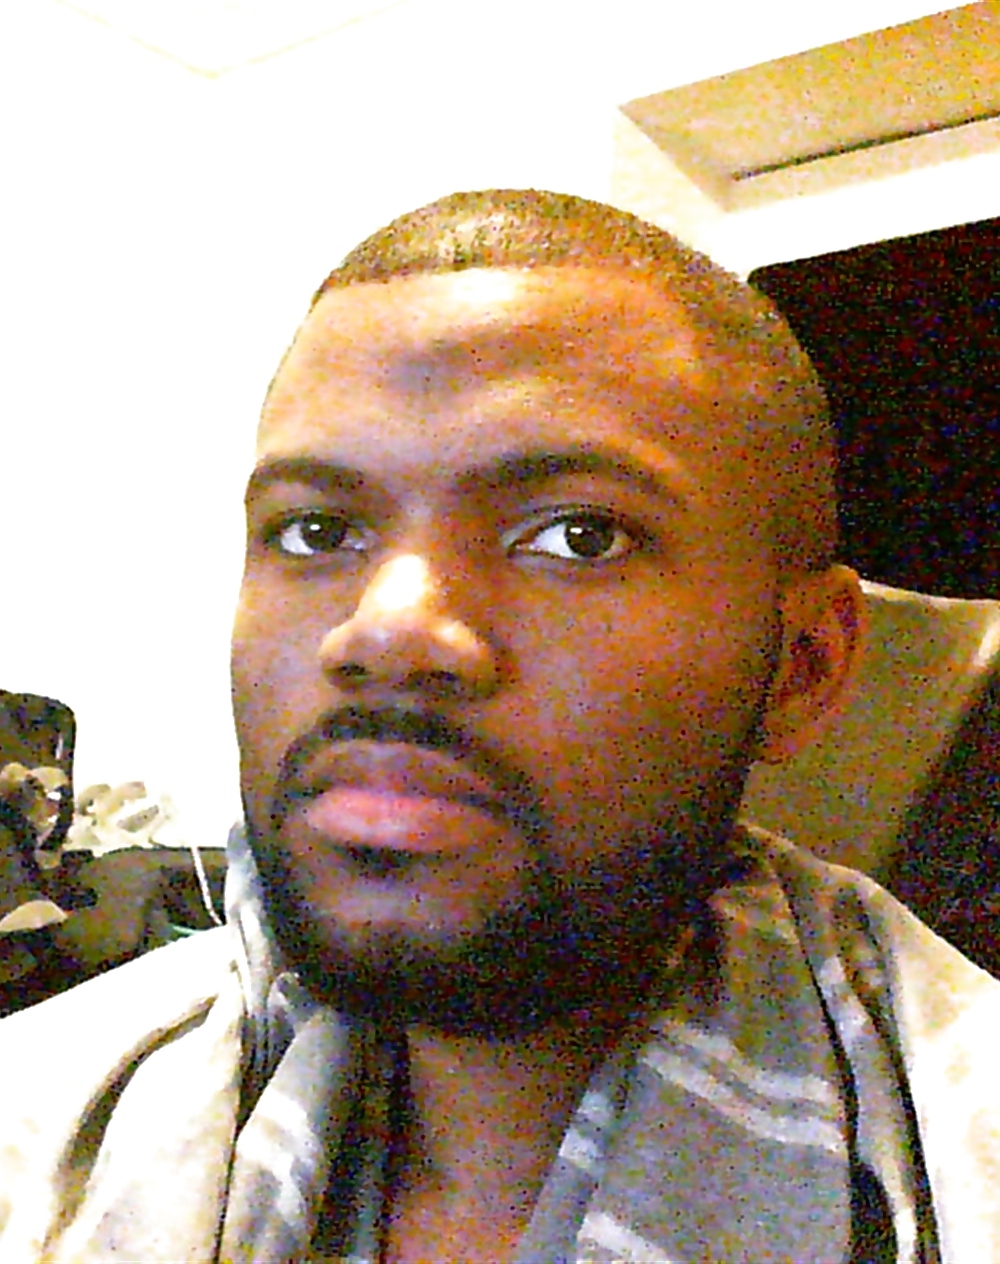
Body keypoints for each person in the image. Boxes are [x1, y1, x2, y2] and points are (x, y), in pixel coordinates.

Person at [0, 189, 997, 1263]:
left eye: (579, 536)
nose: (386, 630)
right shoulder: (42, 1120)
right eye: (317, 530)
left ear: (802, 668)